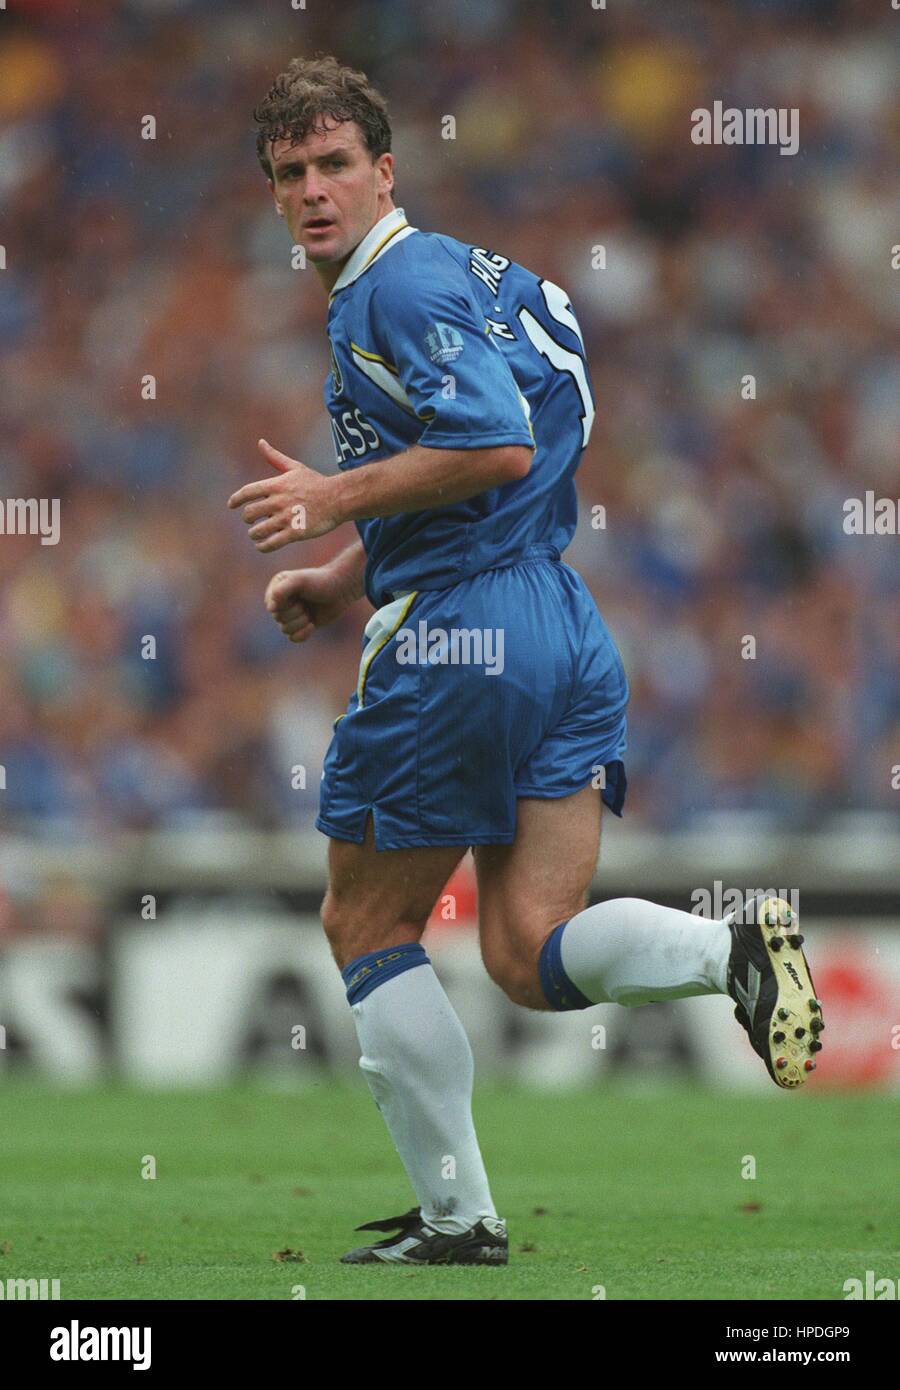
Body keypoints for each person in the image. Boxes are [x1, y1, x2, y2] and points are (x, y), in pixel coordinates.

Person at [228, 56, 823, 1266]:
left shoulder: (387, 294)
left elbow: (494, 443)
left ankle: (460, 1219)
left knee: (365, 922)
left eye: (335, 164)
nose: (313, 192)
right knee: (528, 949)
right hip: (559, 620)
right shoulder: (495, 279)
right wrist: (347, 577)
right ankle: (734, 951)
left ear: (384, 169)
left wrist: (333, 500)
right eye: (290, 175)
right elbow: (526, 437)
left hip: (458, 637)